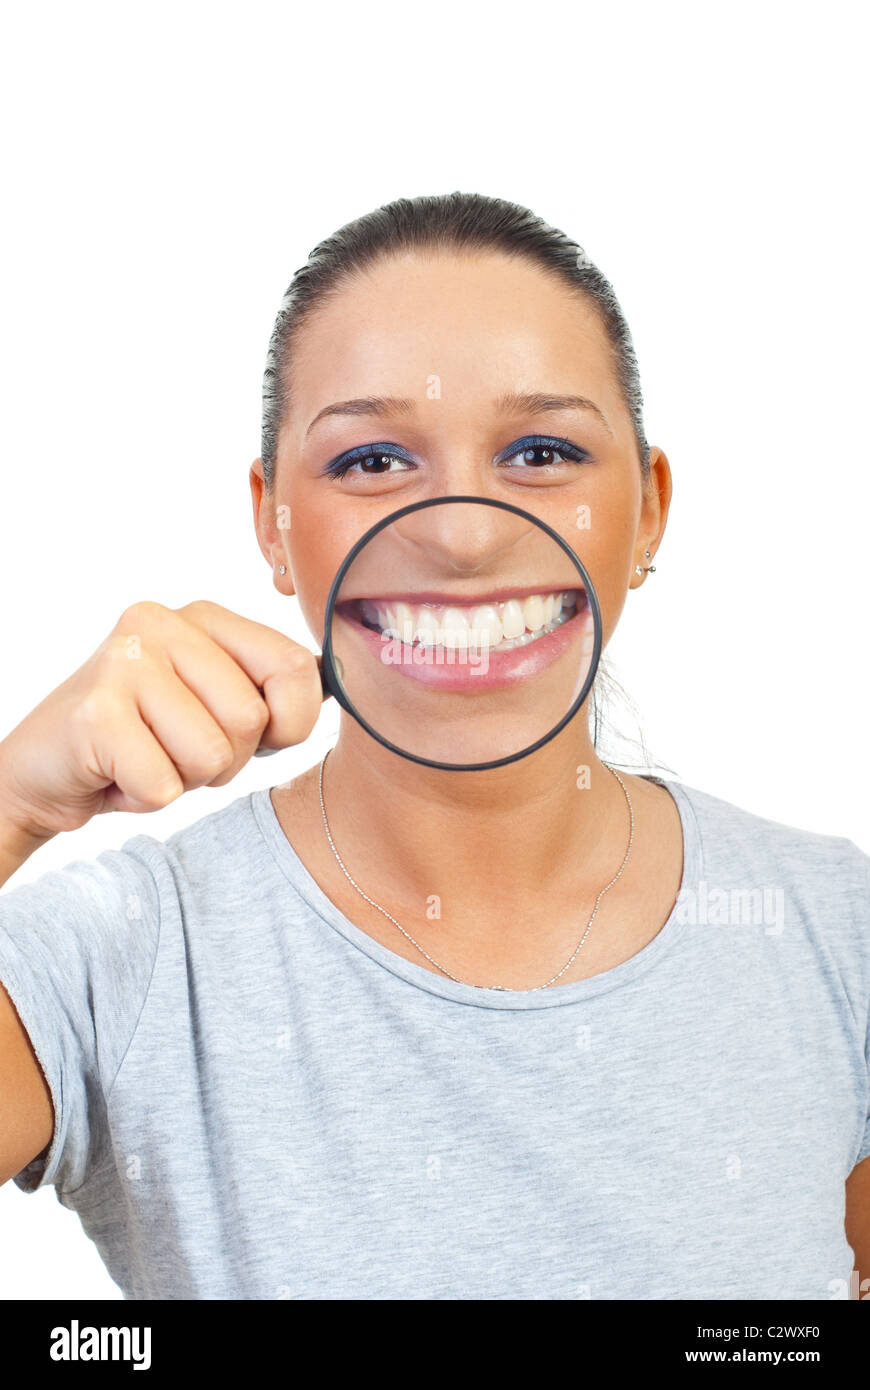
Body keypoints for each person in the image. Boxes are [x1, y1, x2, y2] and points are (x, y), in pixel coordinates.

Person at [0, 192, 867, 1301]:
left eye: (542, 450)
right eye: (371, 462)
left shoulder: (837, 929)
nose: (460, 532)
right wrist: (12, 805)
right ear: (272, 522)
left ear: (648, 511)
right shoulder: (116, 958)